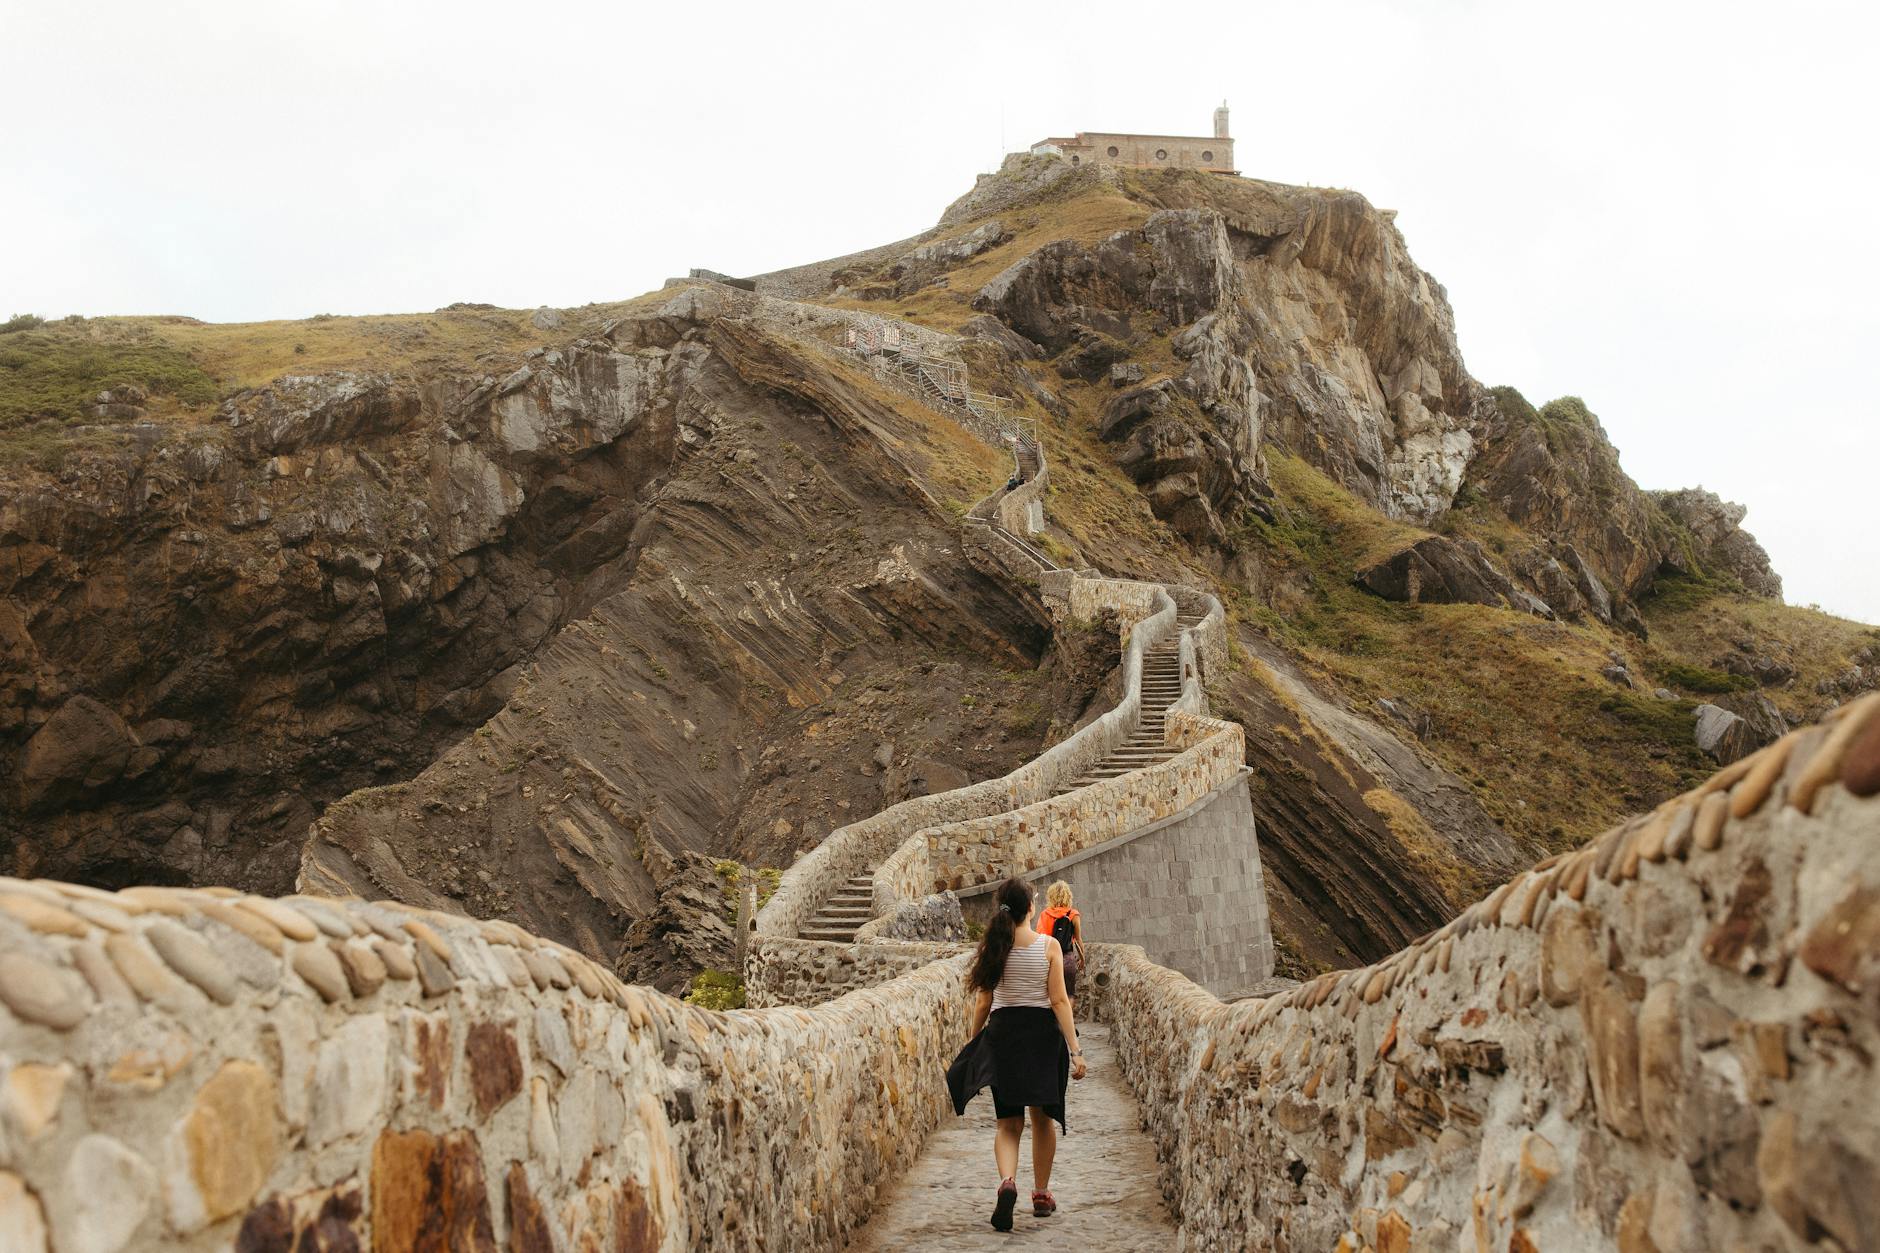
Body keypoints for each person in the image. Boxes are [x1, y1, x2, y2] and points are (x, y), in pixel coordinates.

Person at [944, 878, 1087, 1231]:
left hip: (1004, 1035)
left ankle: (1008, 1181)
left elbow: (983, 1001)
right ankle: (1041, 1193)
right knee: (1042, 1118)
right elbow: (1058, 1001)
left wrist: (974, 1042)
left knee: (1008, 1124)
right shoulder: (1049, 946)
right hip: (1041, 1037)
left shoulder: (995, 946)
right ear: (1030, 909)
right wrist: (1075, 1050)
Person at [1035, 881, 1085, 999]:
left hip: (1049, 960)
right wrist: (1082, 959)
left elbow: (1039, 939)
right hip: (1067, 959)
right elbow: (1078, 940)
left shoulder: (1044, 914)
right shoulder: (1073, 914)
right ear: (1068, 896)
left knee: (1050, 996)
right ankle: (1066, 1017)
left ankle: (1053, 1017)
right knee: (1069, 995)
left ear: (1051, 896)